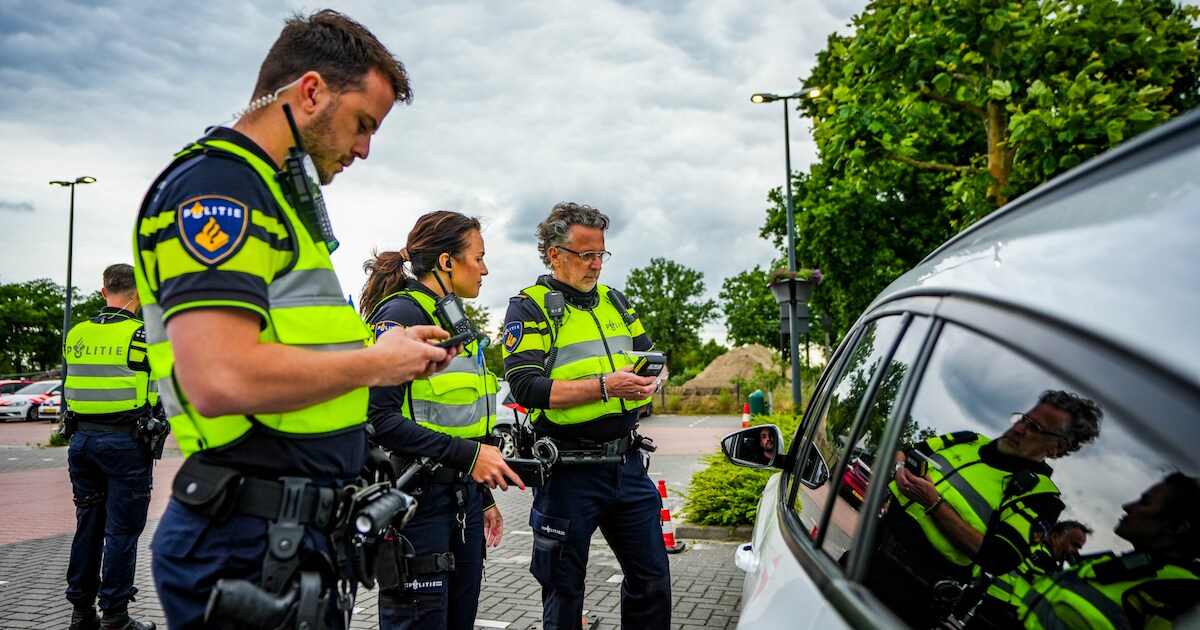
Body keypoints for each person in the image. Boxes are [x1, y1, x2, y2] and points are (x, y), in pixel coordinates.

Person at [132, 10, 456, 629]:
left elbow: (292, 343)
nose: (364, 149)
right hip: (246, 543)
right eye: (363, 124)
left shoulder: (274, 201)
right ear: (310, 92)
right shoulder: (221, 188)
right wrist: (375, 363)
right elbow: (219, 376)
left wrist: (383, 347)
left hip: (283, 538)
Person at [501, 202, 669, 630]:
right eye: (585, 255)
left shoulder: (615, 300)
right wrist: (604, 387)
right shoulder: (529, 307)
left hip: (627, 466)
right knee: (563, 590)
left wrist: (655, 377)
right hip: (568, 473)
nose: (596, 264)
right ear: (555, 254)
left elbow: (651, 356)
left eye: (601, 255)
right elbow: (525, 387)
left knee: (652, 581)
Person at [359, 210, 523, 630]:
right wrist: (470, 458)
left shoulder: (454, 319)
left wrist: (481, 496)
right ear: (447, 261)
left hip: (462, 499)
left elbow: (458, 419)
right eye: (479, 257)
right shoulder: (400, 314)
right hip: (417, 502)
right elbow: (378, 418)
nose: (485, 269)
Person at [866, 390, 1103, 627]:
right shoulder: (967, 440)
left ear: (1058, 446)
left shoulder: (1041, 497)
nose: (1019, 429)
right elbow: (906, 452)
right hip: (869, 549)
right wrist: (898, 469)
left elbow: (999, 557)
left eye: (1035, 428)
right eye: (1023, 419)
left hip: (911, 589)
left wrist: (934, 504)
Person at [63, 264, 160, 630]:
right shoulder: (142, 336)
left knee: (87, 525)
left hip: (81, 442)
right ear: (138, 294)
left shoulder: (77, 334)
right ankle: (116, 615)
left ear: (104, 292)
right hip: (125, 444)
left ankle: (80, 611)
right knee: (121, 531)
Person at [1019, 473, 1200, 628]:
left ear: (1175, 527)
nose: (1128, 506)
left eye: (1145, 502)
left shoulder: (1181, 592)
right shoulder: (1122, 567)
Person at [965, 520, 1092, 629]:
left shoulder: (1040, 553)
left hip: (995, 610)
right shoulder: (1043, 558)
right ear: (1055, 537)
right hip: (999, 613)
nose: (1075, 552)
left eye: (1078, 549)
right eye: (1074, 545)